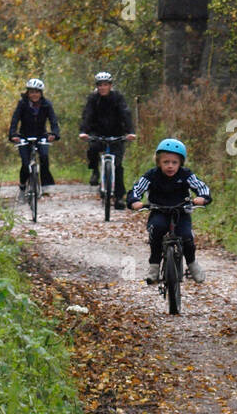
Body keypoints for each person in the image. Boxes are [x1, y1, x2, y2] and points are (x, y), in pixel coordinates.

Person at [127, 138, 211, 283]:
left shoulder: (185, 175)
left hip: (181, 212)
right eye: (166, 162)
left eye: (174, 162)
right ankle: (154, 267)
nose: (170, 166)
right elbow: (137, 189)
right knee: (156, 231)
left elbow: (201, 187)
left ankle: (192, 264)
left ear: (181, 163)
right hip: (158, 210)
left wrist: (203, 197)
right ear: (159, 162)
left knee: (187, 237)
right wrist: (135, 201)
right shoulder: (152, 175)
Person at [79, 71, 137, 209]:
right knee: (92, 149)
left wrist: (130, 132)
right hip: (98, 133)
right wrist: (84, 132)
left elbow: (125, 113)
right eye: (100, 85)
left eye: (105, 85)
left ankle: (118, 198)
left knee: (117, 166)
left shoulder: (118, 98)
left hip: (117, 134)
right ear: (97, 87)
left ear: (110, 86)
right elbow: (87, 115)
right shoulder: (93, 99)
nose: (102, 88)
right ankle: (95, 171)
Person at [8, 77, 60, 198]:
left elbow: (53, 121)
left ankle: (45, 185)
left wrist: (54, 134)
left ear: (41, 93)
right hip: (24, 136)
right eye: (32, 92)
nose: (34, 94)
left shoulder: (47, 105)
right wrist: (13, 135)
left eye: (37, 92)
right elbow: (15, 120)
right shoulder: (22, 104)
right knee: (25, 164)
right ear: (28, 93)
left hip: (41, 136)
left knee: (44, 156)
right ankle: (22, 186)